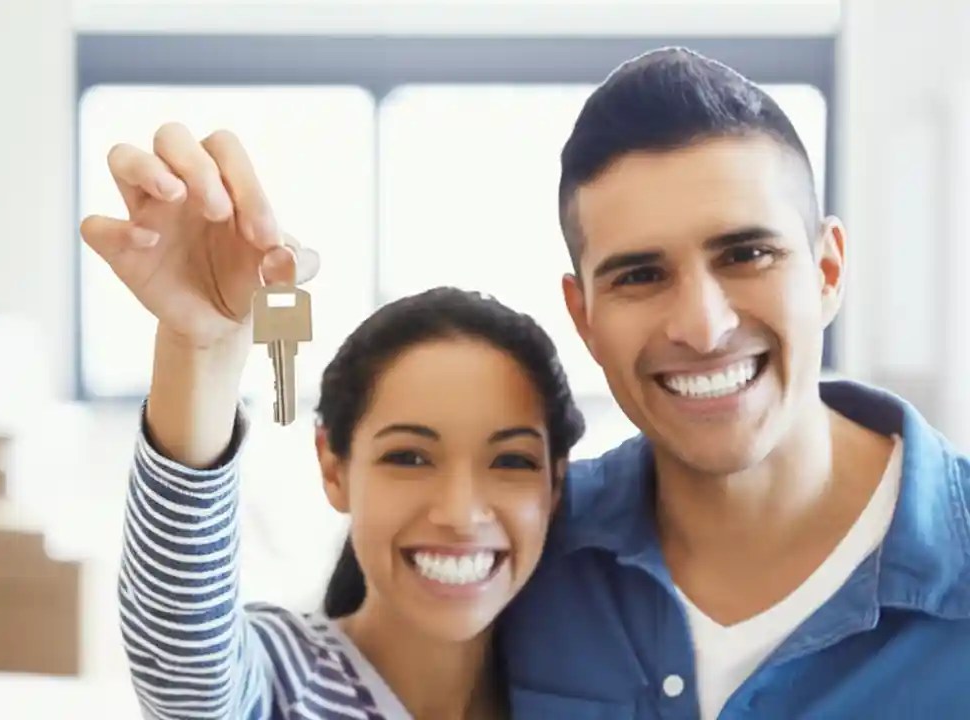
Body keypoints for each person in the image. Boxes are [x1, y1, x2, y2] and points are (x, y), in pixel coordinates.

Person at [496, 47, 970, 718]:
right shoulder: (520, 550)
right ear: (585, 317)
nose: (703, 326)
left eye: (747, 255)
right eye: (640, 275)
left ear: (827, 272)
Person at [81, 128, 585, 717]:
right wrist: (199, 349)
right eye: (410, 457)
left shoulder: (598, 692)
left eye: (511, 461)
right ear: (333, 465)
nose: (459, 513)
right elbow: (185, 660)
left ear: (555, 485)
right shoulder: (282, 687)